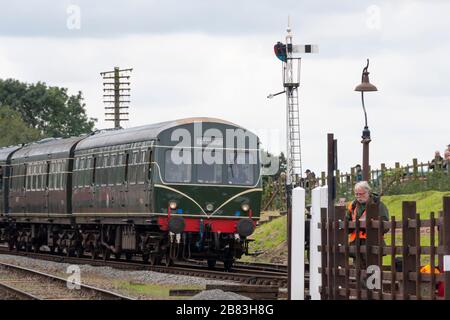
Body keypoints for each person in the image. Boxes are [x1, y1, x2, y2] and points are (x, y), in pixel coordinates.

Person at [346, 181, 390, 270]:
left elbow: (385, 225)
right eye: (356, 194)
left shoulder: (378, 205)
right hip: (356, 243)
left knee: (373, 271)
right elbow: (347, 222)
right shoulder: (353, 205)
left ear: (368, 192)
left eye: (361, 194)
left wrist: (370, 226)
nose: (358, 196)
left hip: (373, 242)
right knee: (359, 272)